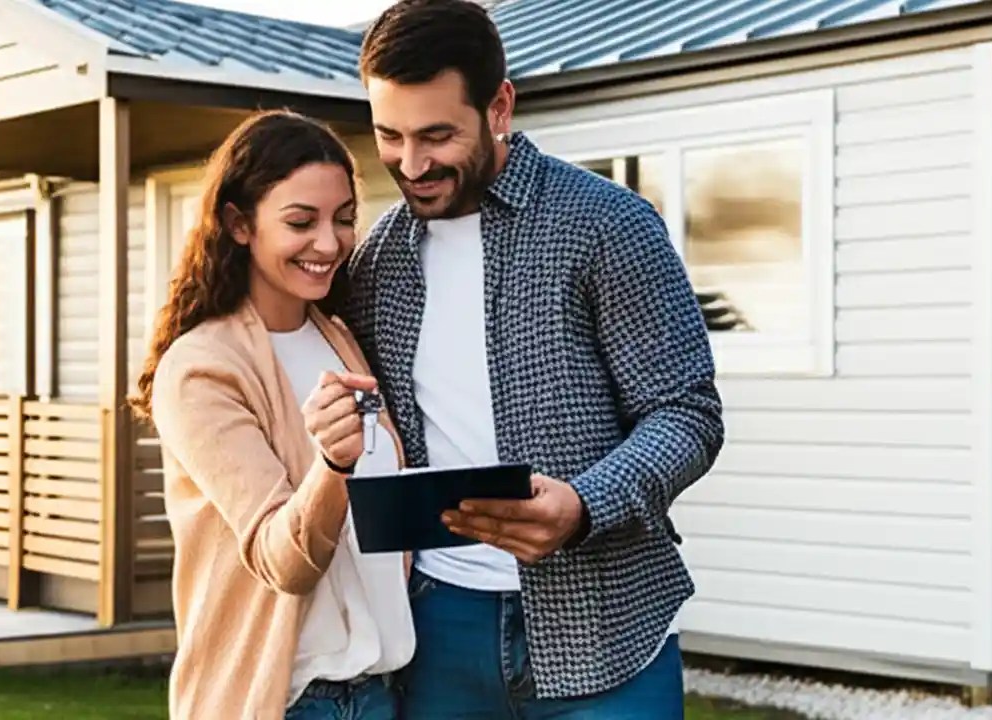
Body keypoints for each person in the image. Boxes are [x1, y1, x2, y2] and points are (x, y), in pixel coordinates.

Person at [345, 1, 726, 717]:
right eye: (388, 136)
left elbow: (687, 413)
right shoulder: (377, 260)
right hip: (436, 629)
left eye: (436, 135)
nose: (411, 163)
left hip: (607, 627)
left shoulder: (609, 225)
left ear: (500, 107)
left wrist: (585, 505)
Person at [131, 110, 414, 720]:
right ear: (238, 224)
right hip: (290, 701)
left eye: (342, 219)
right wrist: (333, 463)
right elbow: (282, 561)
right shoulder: (202, 368)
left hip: (382, 690)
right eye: (300, 222)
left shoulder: (338, 337)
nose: (329, 243)